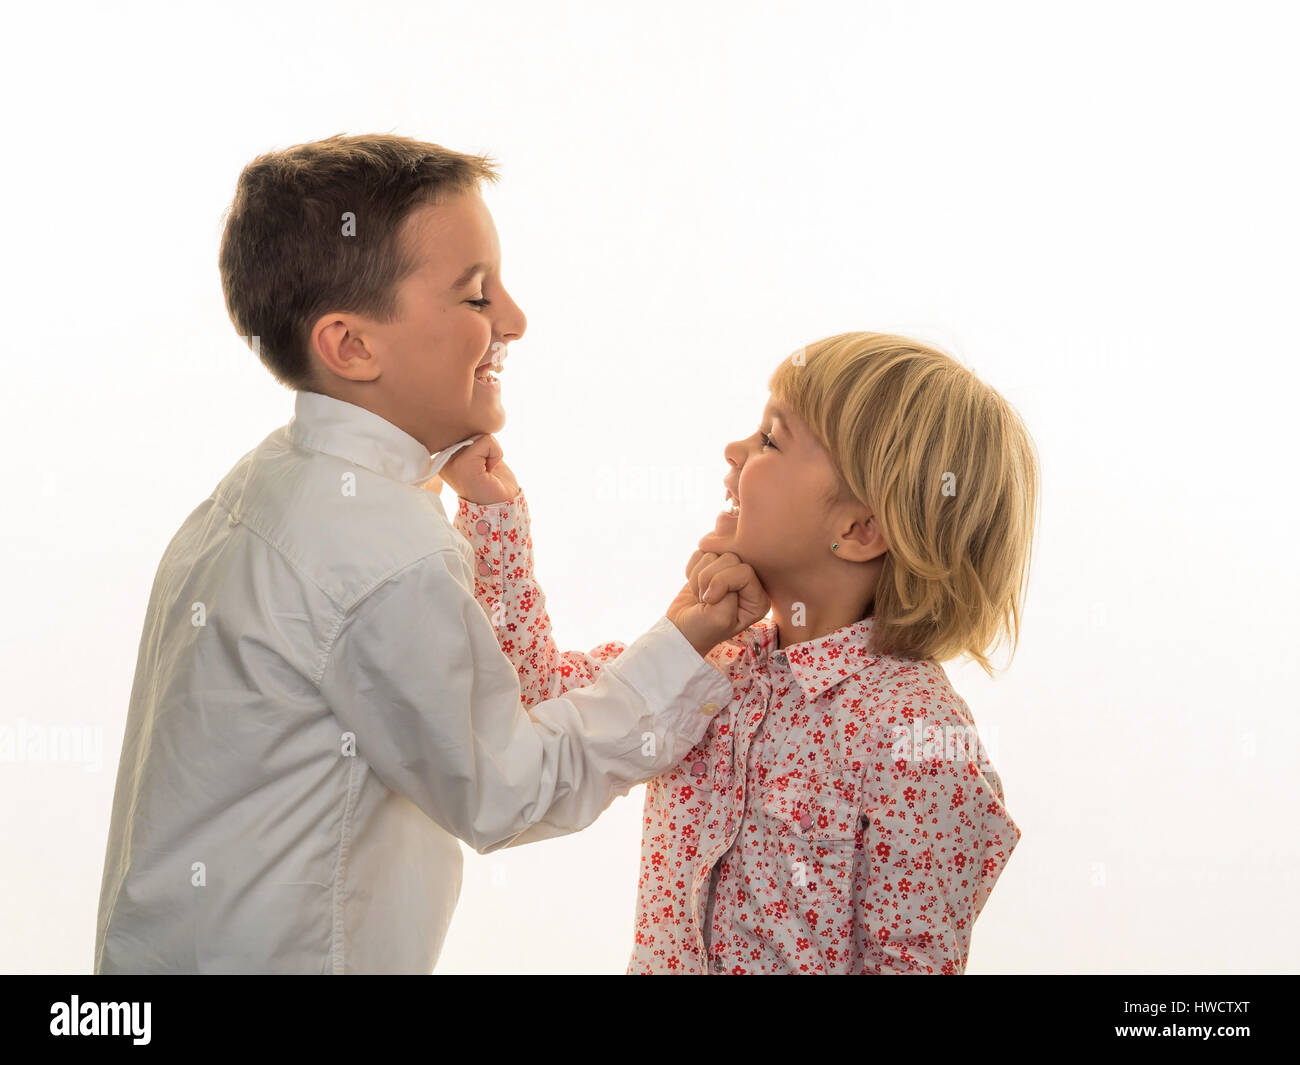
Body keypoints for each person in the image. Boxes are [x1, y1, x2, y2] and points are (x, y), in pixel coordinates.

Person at [93, 133, 767, 974]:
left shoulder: (265, 487)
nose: (514, 321)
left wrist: (483, 514)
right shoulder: (382, 552)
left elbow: (441, 679)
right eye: (478, 297)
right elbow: (508, 787)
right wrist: (685, 641)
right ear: (352, 346)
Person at [444, 331, 1039, 974]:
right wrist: (492, 514)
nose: (733, 451)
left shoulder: (917, 738)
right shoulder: (712, 660)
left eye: (771, 439)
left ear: (859, 529)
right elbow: (537, 710)